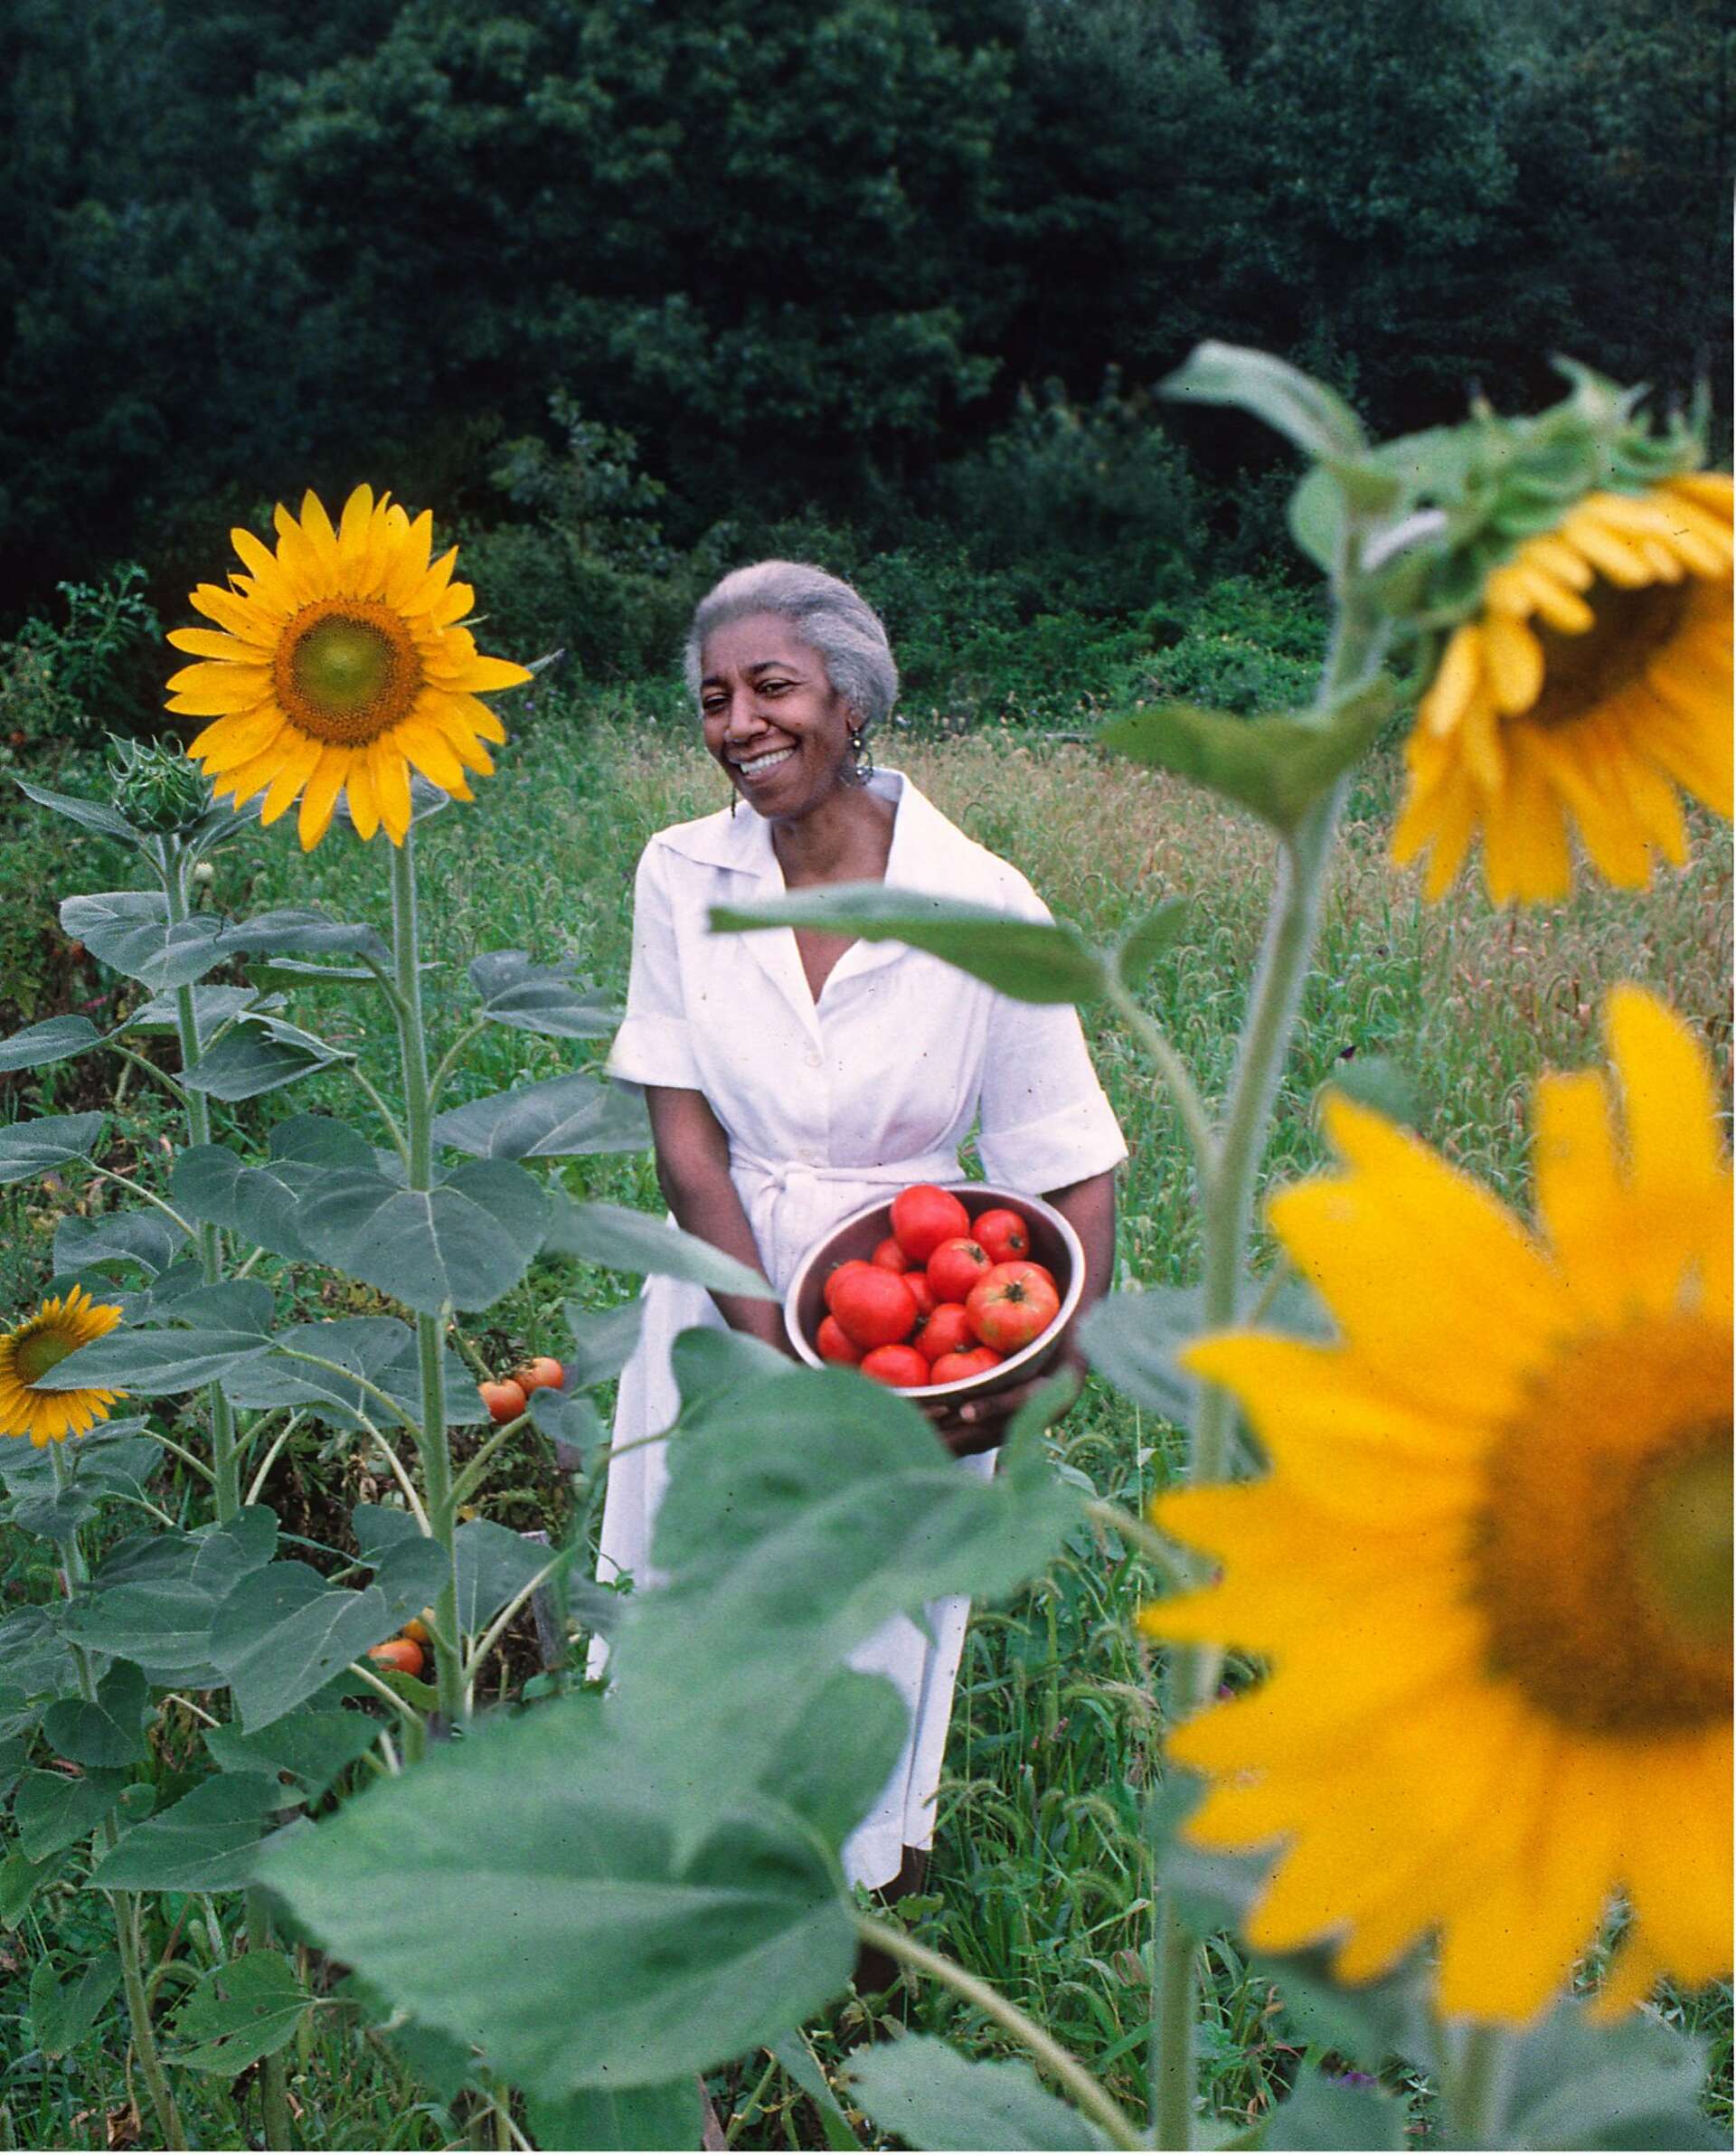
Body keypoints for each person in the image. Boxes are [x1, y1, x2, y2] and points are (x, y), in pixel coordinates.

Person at [592, 559, 1127, 1897]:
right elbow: (684, 1137)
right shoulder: (681, 870)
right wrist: (770, 1350)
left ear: (854, 698)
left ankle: (822, 1910)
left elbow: (1069, 1158)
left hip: (920, 1310)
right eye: (715, 698)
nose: (738, 723)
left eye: (773, 686)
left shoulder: (982, 900)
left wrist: (1029, 1381)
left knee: (860, 1624)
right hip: (727, 1294)